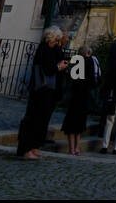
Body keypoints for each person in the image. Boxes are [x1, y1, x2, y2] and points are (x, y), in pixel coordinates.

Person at [16, 27, 69, 159]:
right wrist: (58, 67)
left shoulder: (54, 49)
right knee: (33, 118)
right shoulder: (43, 49)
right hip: (40, 90)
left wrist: (62, 63)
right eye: (57, 40)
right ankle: (26, 148)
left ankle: (35, 145)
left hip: (49, 91)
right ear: (52, 38)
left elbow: (59, 59)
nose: (58, 42)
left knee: (43, 120)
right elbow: (46, 68)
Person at [62, 47, 98, 156]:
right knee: (79, 124)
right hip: (84, 97)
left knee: (71, 124)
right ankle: (77, 148)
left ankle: (71, 148)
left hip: (75, 97)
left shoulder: (78, 63)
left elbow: (71, 79)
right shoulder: (92, 63)